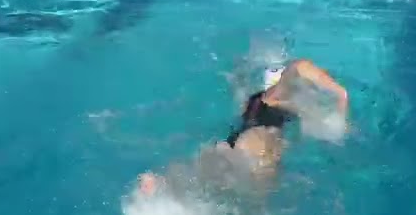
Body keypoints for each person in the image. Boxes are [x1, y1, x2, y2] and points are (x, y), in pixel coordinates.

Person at [136, 58, 348, 196]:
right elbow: (299, 66)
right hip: (259, 145)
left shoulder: (252, 101)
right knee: (257, 208)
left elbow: (239, 85)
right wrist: (340, 92)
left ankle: (163, 184)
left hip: (232, 142)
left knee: (206, 176)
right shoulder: (276, 96)